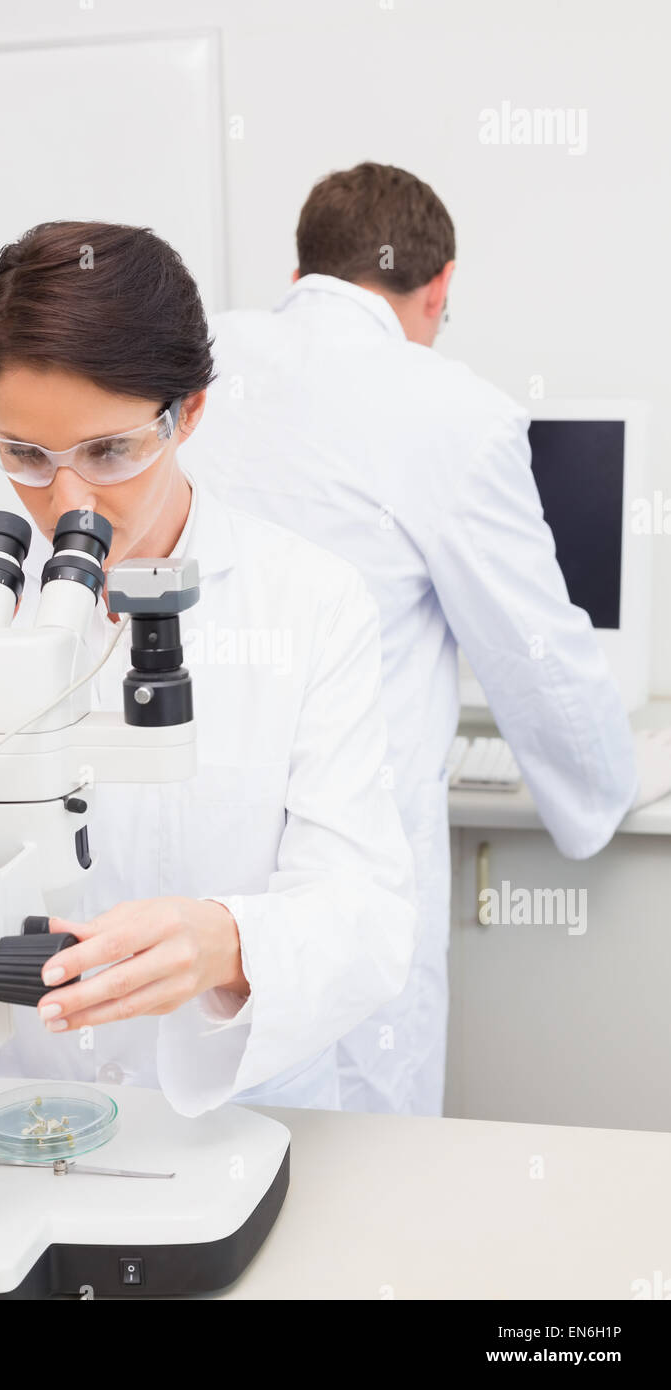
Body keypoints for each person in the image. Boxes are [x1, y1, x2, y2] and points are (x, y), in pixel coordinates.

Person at [0, 219, 416, 1119]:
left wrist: (229, 941)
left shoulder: (309, 602)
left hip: (234, 1116)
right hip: (11, 1117)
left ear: (190, 413)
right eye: (25, 456)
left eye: (109, 451)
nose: (68, 502)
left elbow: (366, 912)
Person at [180, 161, 651, 1118]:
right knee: (362, 1178)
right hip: (347, 858)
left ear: (309, 265)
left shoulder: (197, 363)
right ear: (437, 288)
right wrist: (608, 789)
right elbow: (537, 653)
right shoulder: (447, 408)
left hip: (185, 861)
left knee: (190, 1153)